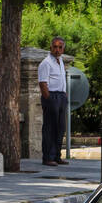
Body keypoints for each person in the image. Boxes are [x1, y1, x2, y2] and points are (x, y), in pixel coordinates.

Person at [37, 36, 69, 167]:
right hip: (52, 97)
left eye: (60, 47)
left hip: (61, 97)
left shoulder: (60, 61)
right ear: (51, 47)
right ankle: (48, 157)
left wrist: (65, 96)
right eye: (55, 47)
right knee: (50, 128)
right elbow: (43, 83)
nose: (57, 49)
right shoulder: (46, 63)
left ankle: (56, 156)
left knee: (60, 128)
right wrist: (49, 99)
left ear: (63, 49)